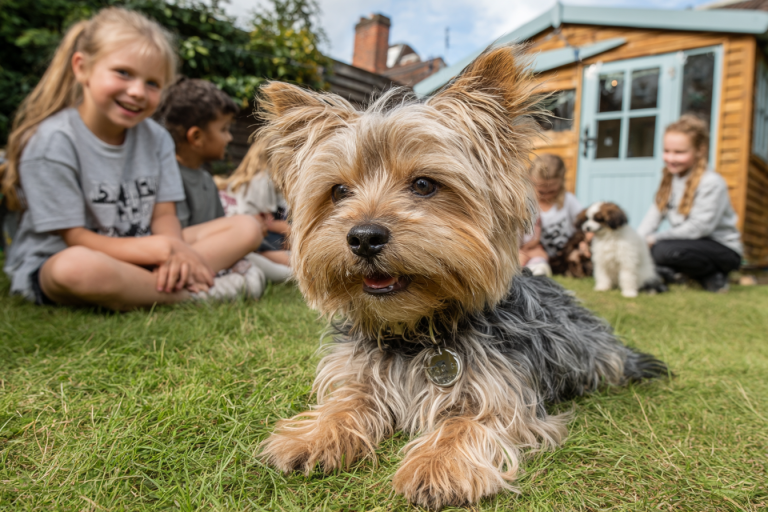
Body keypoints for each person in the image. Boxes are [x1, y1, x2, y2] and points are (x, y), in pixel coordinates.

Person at [0, 7, 264, 309]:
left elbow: (165, 215)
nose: (138, 91)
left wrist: (173, 249)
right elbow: (75, 237)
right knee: (74, 268)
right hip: (69, 256)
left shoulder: (157, 138)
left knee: (246, 227)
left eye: (152, 83)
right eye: (123, 73)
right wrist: (159, 251)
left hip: (149, 250)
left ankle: (162, 281)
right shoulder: (51, 143)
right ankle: (201, 293)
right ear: (82, 67)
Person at [638, 115, 742, 293]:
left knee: (661, 250)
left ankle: (713, 274)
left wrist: (653, 239)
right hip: (686, 244)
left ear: (700, 150)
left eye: (679, 152)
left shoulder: (711, 182)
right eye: (667, 151)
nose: (671, 158)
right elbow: (652, 217)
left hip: (721, 249)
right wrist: (638, 242)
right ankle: (684, 276)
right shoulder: (668, 180)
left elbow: (698, 228)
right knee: (650, 250)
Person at [216, 136, 292, 275]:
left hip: (237, 231)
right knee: (273, 246)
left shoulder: (254, 180)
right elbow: (266, 222)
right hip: (248, 235)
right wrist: (287, 229)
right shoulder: (262, 181)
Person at [529, 153, 591, 276]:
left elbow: (586, 224)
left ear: (561, 181)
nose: (546, 196)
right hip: (540, 256)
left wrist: (586, 242)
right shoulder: (527, 204)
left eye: (552, 191)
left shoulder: (569, 200)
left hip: (566, 256)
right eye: (541, 191)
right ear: (531, 181)